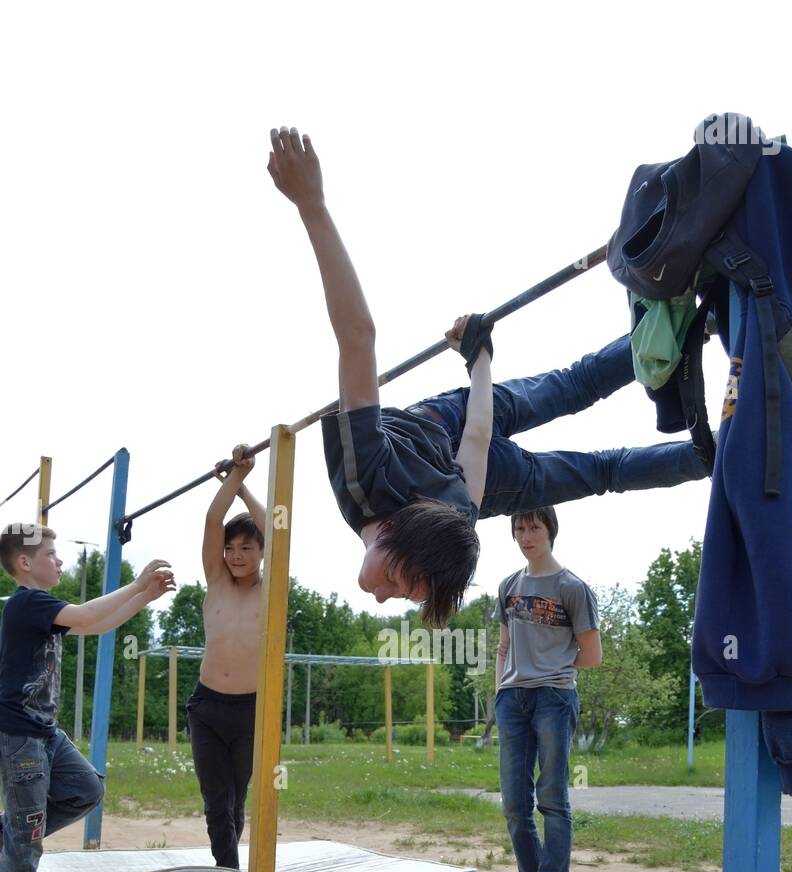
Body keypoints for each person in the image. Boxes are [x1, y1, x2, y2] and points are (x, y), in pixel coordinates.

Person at [267, 125, 710, 625]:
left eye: (392, 584)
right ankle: (710, 453)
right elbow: (471, 443)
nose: (381, 597)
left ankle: (692, 325)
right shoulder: (445, 519)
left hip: (447, 419)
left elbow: (361, 341)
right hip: (486, 473)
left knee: (573, 385)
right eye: (400, 589)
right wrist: (478, 361)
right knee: (596, 465)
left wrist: (480, 358)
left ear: (393, 532)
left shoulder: (377, 485)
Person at [0, 523, 174, 872]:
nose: (60, 560)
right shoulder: (27, 604)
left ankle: (12, 833)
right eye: (50, 554)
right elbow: (88, 614)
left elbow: (96, 625)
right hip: (20, 733)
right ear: (25, 563)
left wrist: (144, 597)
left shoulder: (42, 607)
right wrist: (134, 582)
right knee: (27, 835)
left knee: (86, 789)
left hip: (44, 731)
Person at [493, 505, 600, 872]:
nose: (526, 535)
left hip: (554, 698)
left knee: (552, 801)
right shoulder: (507, 586)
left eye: (534, 526)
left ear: (550, 530)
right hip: (511, 700)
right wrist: (500, 689)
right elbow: (503, 646)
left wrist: (549, 667)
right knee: (515, 806)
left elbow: (591, 655)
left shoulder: (572, 588)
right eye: (519, 527)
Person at [185, 451, 268, 870]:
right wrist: (232, 478)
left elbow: (274, 527)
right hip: (208, 707)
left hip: (252, 710)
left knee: (236, 799)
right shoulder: (216, 580)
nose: (235, 554)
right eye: (231, 548)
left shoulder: (270, 590)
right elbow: (213, 522)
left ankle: (227, 871)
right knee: (217, 800)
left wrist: (245, 482)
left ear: (261, 552)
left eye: (246, 547)